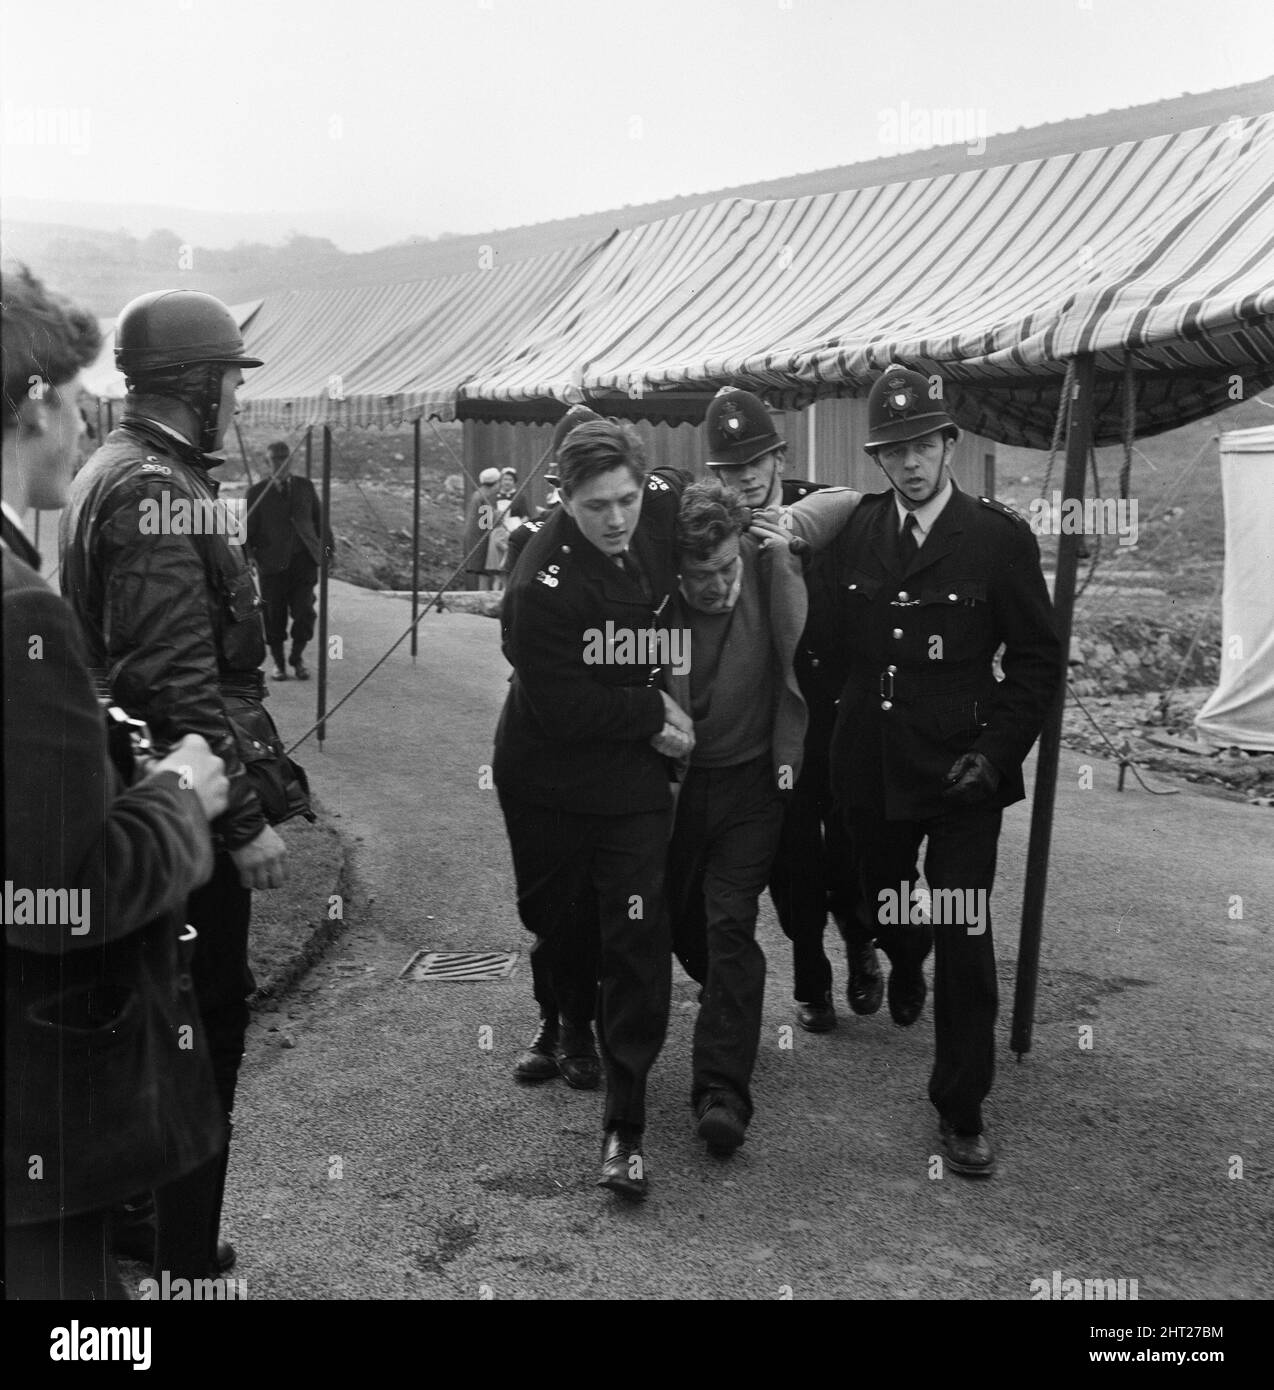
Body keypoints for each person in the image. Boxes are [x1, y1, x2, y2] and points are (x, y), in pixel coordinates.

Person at [61, 288, 302, 1278]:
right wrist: (243, 819)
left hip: (138, 798)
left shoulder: (120, 469)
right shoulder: (158, 489)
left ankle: (136, 1218)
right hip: (182, 811)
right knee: (201, 1020)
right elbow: (171, 681)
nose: (238, 404)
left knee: (152, 1018)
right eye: (231, 384)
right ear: (199, 387)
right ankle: (176, 1241)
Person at [2, 264, 229, 1299]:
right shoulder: (18, 614)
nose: (93, 412)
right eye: (77, 389)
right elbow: (61, 891)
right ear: (37, 398)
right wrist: (184, 792)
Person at [786, 363, 1061, 1177]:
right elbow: (822, 642)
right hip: (869, 761)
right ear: (878, 460)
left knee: (965, 925)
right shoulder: (859, 533)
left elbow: (1038, 662)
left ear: (949, 442)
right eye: (891, 451)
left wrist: (998, 752)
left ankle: (961, 1106)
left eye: (921, 446)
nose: (908, 464)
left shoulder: (997, 538)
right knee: (881, 896)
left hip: (963, 768)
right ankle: (903, 958)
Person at [493, 419, 693, 1201]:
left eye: (627, 498)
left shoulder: (661, 504)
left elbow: (726, 498)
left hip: (630, 786)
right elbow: (566, 704)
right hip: (548, 766)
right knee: (560, 916)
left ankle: (626, 1124)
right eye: (595, 505)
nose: (618, 519)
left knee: (638, 934)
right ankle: (566, 1017)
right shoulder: (538, 583)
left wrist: (794, 519)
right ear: (563, 500)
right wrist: (653, 713)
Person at [703, 386, 882, 1033]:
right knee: (792, 863)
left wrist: (797, 535)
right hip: (771, 729)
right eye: (729, 467)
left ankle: (862, 940)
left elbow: (863, 502)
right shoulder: (716, 530)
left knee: (851, 851)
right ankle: (813, 979)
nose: (744, 477)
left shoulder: (816, 507)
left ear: (778, 457)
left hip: (837, 715)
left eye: (754, 461)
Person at [663, 480, 810, 1155]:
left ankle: (721, 1092)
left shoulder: (762, 555)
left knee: (731, 926)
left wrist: (792, 523)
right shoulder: (654, 607)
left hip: (754, 787)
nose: (721, 588)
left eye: (728, 570)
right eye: (703, 577)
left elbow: (845, 502)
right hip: (678, 793)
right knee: (678, 925)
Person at [506, 406, 605, 1089]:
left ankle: (582, 1025)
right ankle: (555, 1019)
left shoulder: (637, 544)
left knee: (599, 896)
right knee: (548, 899)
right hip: (540, 748)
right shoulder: (535, 552)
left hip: (609, 748)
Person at [246, 440, 332, 681]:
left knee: (305, 613)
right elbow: (246, 531)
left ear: (291, 460)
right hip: (271, 566)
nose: (281, 462)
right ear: (267, 462)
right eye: (275, 458)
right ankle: (279, 663)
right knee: (274, 616)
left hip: (304, 562)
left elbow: (320, 522)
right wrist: (249, 556)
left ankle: (297, 657)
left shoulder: (305, 487)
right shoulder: (257, 492)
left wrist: (327, 553)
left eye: (285, 457)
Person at [463, 467, 502, 590]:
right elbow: (485, 522)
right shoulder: (486, 496)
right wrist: (498, 515)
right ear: (496, 482)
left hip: (474, 533)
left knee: (482, 571)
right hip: (480, 535)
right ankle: (482, 594)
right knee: (483, 570)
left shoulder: (478, 493)